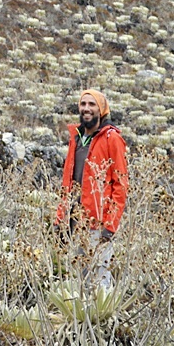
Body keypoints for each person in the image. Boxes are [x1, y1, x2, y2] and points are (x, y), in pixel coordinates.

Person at [55, 88, 128, 291]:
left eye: (92, 104)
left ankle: (101, 319)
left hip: (98, 223)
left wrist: (110, 225)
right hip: (76, 220)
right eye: (83, 104)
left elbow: (120, 185)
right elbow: (68, 183)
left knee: (99, 277)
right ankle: (83, 320)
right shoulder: (76, 138)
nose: (86, 108)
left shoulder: (111, 138)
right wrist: (60, 219)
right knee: (79, 275)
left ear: (101, 109)